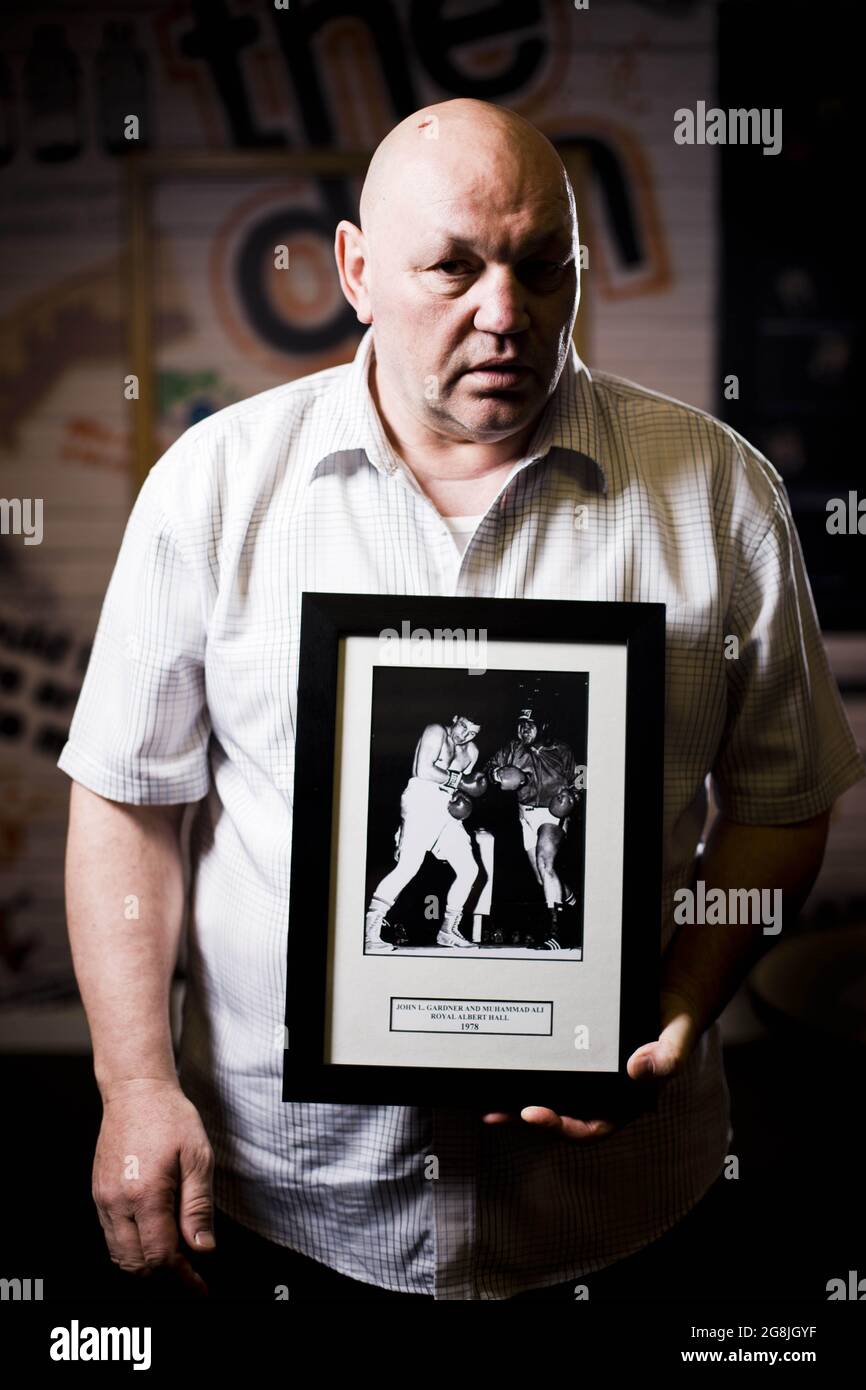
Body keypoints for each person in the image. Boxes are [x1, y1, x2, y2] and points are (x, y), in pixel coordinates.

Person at [58, 97, 865, 1302]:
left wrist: (685, 995)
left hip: (617, 1205)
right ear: (356, 269)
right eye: (453, 267)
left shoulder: (715, 492)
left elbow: (780, 799)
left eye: (544, 268)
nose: (507, 313)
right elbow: (128, 805)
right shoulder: (213, 489)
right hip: (294, 1199)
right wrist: (133, 1086)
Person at [365, 713, 486, 951]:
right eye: (463, 727)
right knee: (409, 866)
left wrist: (468, 797)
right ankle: (370, 933)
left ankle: (447, 931)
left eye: (472, 733)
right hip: (422, 797)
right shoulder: (436, 731)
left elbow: (462, 791)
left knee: (469, 869)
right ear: (455, 718)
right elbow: (423, 770)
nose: (465, 735)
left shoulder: (472, 752)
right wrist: (462, 782)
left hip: (448, 809)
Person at [484, 704, 582, 949]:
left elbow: (576, 783)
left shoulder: (562, 750)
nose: (523, 729)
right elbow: (486, 771)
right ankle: (572, 902)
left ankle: (557, 933)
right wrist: (497, 774)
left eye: (530, 724)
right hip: (524, 815)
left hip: (552, 814)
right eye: (521, 724)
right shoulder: (512, 749)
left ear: (544, 726)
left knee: (545, 862)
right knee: (542, 876)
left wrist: (572, 798)